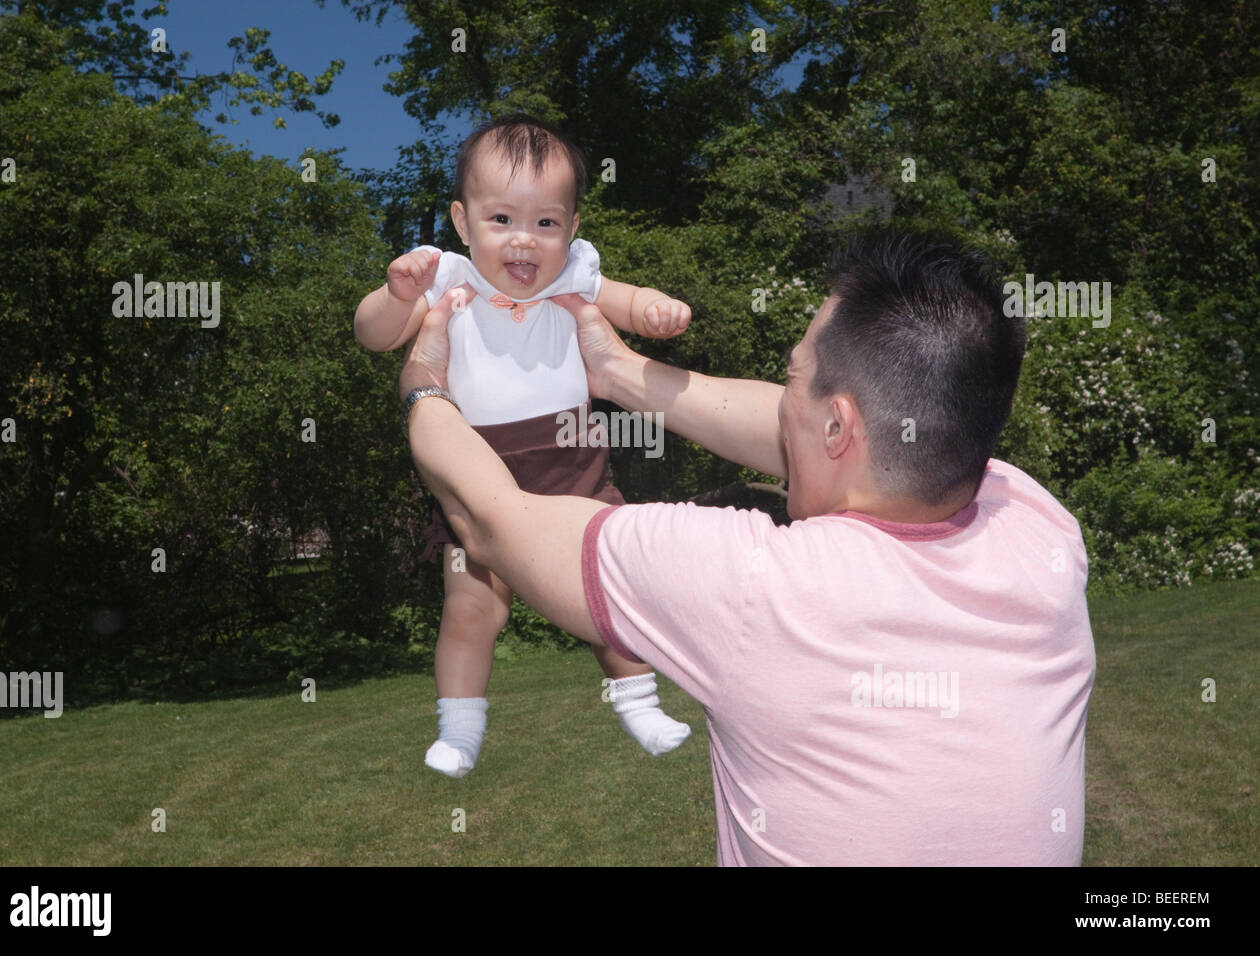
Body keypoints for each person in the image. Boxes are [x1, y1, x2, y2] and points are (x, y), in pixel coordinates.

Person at [398, 231, 1097, 865]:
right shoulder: (1037, 526)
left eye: (791, 376)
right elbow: (857, 440)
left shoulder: (755, 585)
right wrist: (614, 372)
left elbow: (494, 520)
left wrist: (425, 389)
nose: (780, 397)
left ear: (836, 423)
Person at [354, 116, 694, 778]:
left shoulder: (572, 275)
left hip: (573, 463)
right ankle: (459, 728)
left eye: (546, 223)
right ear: (462, 220)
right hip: (474, 472)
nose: (524, 239)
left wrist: (651, 307)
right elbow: (373, 335)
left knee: (606, 592)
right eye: (502, 217)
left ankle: (641, 704)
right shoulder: (446, 277)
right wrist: (396, 295)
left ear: (569, 228)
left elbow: (621, 301)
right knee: (472, 608)